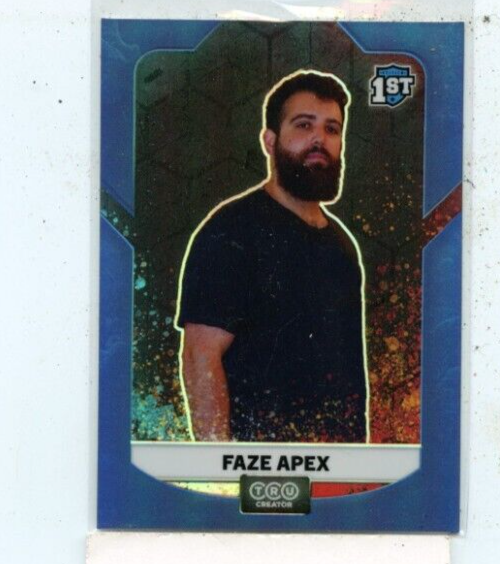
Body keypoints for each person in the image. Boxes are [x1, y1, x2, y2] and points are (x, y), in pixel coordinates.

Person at [175, 70, 369, 443]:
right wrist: (218, 466)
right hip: (256, 466)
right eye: (304, 125)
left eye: (331, 129)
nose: (319, 139)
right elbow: (200, 356)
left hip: (335, 468)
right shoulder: (231, 231)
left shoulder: (342, 247)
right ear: (269, 140)